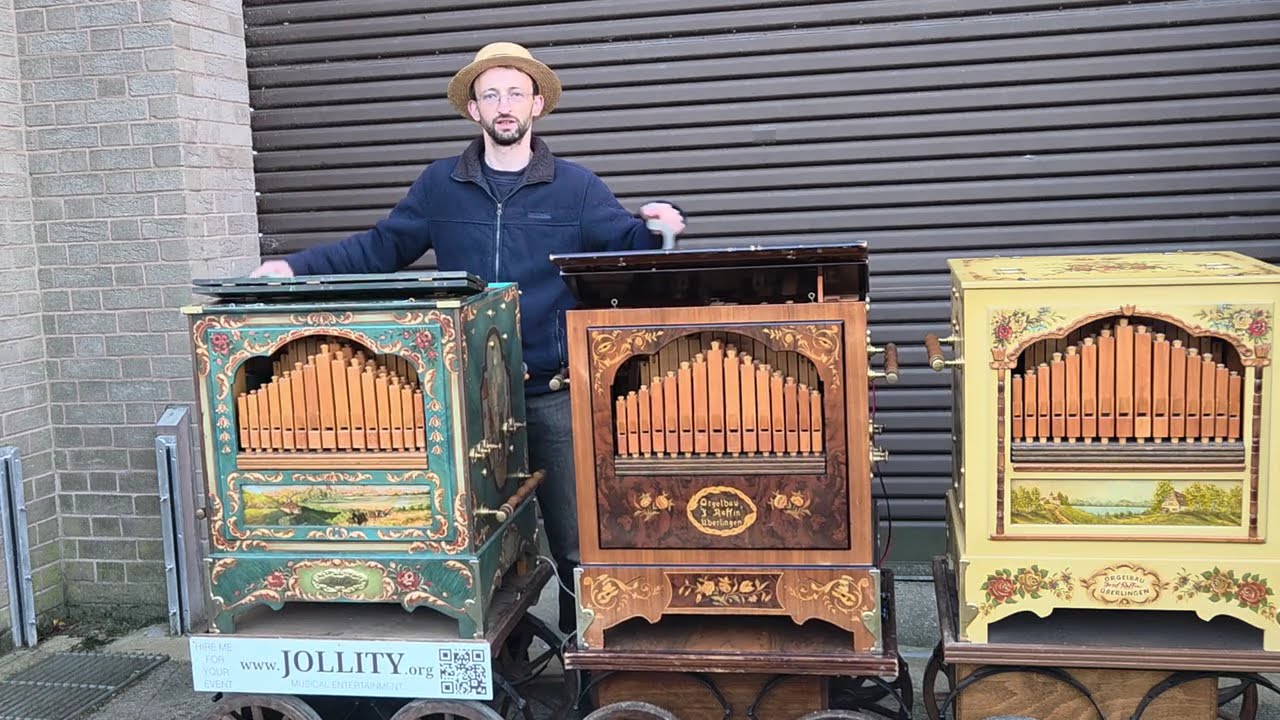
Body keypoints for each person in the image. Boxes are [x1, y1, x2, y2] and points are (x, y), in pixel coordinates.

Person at [248, 42, 686, 635]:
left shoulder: (577, 189)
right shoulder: (440, 186)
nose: (503, 106)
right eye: (490, 96)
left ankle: (587, 670)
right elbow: (380, 248)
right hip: (468, 402)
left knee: (579, 545)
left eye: (514, 93)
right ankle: (502, 668)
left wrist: (658, 227)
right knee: (484, 550)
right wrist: (293, 270)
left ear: (537, 104)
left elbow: (626, 252)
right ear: (474, 111)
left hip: (550, 394)